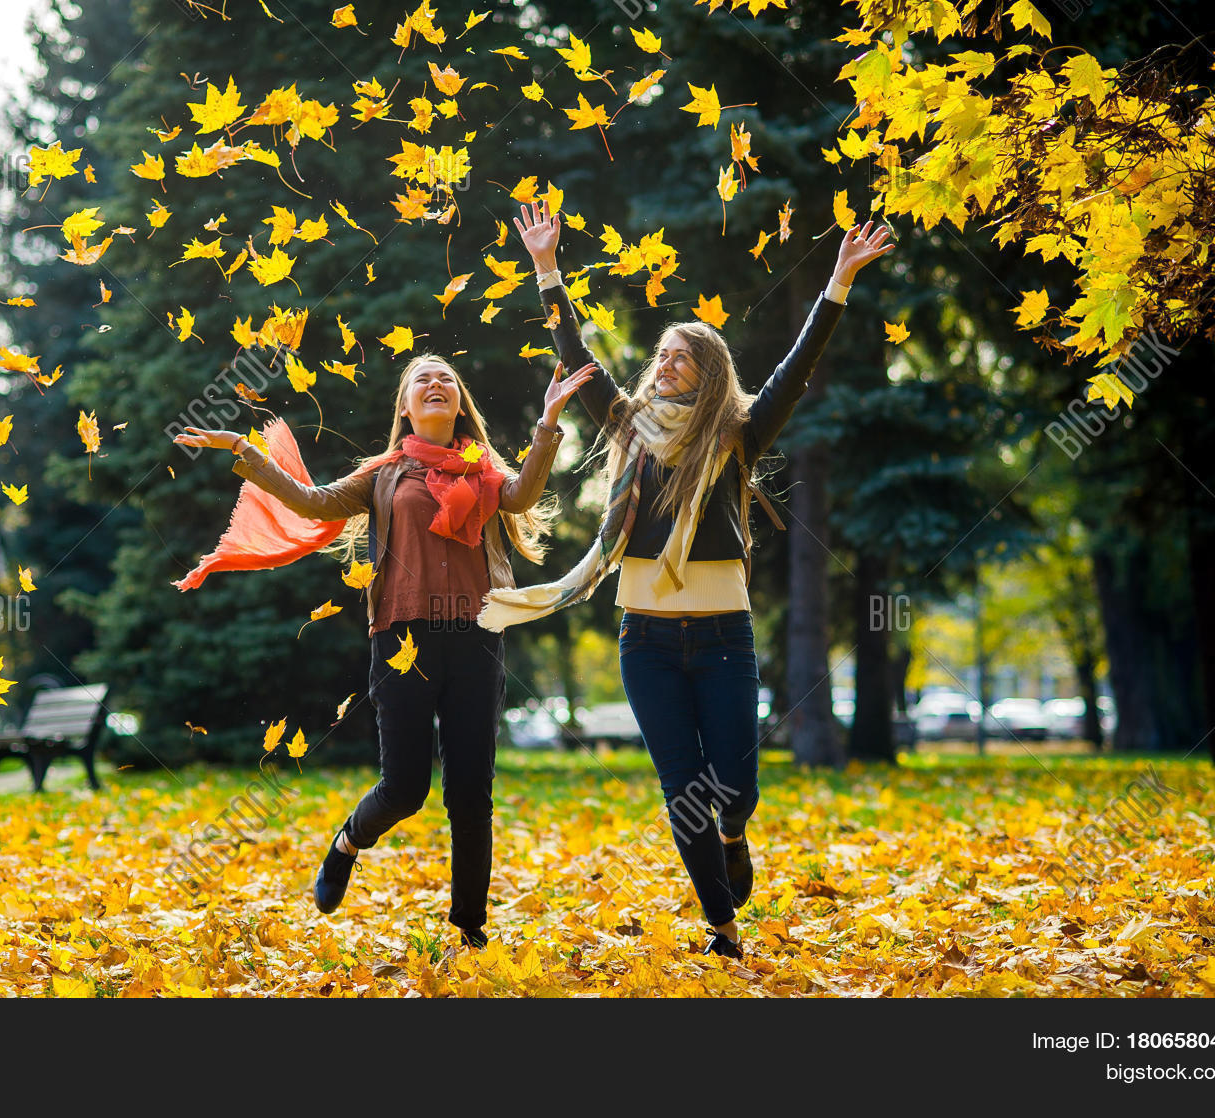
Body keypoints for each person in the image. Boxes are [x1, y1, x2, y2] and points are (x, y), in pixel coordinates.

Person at [478, 202, 894, 959]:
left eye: (680, 356)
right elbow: (575, 357)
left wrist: (837, 281)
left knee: (733, 789)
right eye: (661, 354)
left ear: (709, 374)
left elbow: (796, 371)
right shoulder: (630, 428)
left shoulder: (737, 436)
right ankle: (724, 930)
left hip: (724, 638)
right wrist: (546, 269)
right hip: (647, 642)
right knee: (684, 789)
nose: (663, 364)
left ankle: (737, 834)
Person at [173, 352, 592, 948]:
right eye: (422, 378)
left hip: (477, 639)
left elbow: (523, 496)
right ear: (406, 405)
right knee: (405, 789)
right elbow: (312, 500)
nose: (436, 383)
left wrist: (549, 421)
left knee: (471, 793)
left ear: (459, 401)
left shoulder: (482, 470)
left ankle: (470, 928)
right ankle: (347, 843)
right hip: (402, 641)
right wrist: (245, 450)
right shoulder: (385, 474)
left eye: (446, 377)